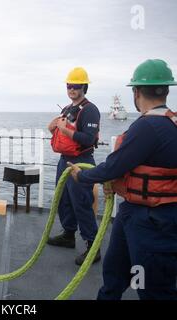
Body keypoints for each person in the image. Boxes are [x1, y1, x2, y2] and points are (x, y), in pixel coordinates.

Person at [69, 59, 177, 300]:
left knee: (155, 290)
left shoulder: (148, 127)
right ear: (167, 90)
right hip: (137, 214)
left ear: (136, 92)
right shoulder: (171, 124)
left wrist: (82, 176)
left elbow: (113, 167)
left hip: (150, 222)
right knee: (115, 272)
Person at [47, 67, 101, 265]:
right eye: (69, 85)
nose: (71, 89)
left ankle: (92, 246)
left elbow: (87, 139)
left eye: (76, 86)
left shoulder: (90, 110)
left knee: (81, 203)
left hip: (81, 161)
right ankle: (68, 234)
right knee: (64, 199)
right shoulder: (67, 109)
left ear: (84, 87)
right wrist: (52, 127)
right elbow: (59, 132)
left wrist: (64, 130)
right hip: (64, 160)